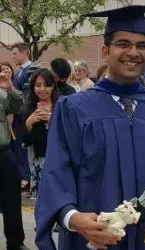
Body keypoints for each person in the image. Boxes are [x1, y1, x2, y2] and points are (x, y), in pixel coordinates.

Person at [35, 5, 145, 250]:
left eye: (142, 46)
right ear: (105, 50)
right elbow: (56, 174)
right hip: (93, 238)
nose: (133, 52)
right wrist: (72, 218)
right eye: (123, 43)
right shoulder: (74, 109)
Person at [0, 68, 30, 250]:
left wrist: (10, 87)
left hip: (3, 153)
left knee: (11, 200)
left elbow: (19, 106)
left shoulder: (1, 94)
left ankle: (16, 242)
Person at [23, 68, 59, 199]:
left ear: (53, 86)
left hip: (60, 159)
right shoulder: (29, 108)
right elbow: (26, 141)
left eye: (46, 85)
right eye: (38, 85)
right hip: (40, 162)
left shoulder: (62, 105)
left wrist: (53, 120)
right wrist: (28, 124)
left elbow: (71, 133)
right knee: (42, 203)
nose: (42, 89)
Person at [12, 43, 32, 191]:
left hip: (24, 115)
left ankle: (26, 177)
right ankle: (22, 175)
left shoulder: (30, 71)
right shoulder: (19, 72)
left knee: (24, 148)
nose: (13, 56)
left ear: (24, 53)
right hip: (17, 116)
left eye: (15, 53)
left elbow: (26, 97)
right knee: (18, 147)